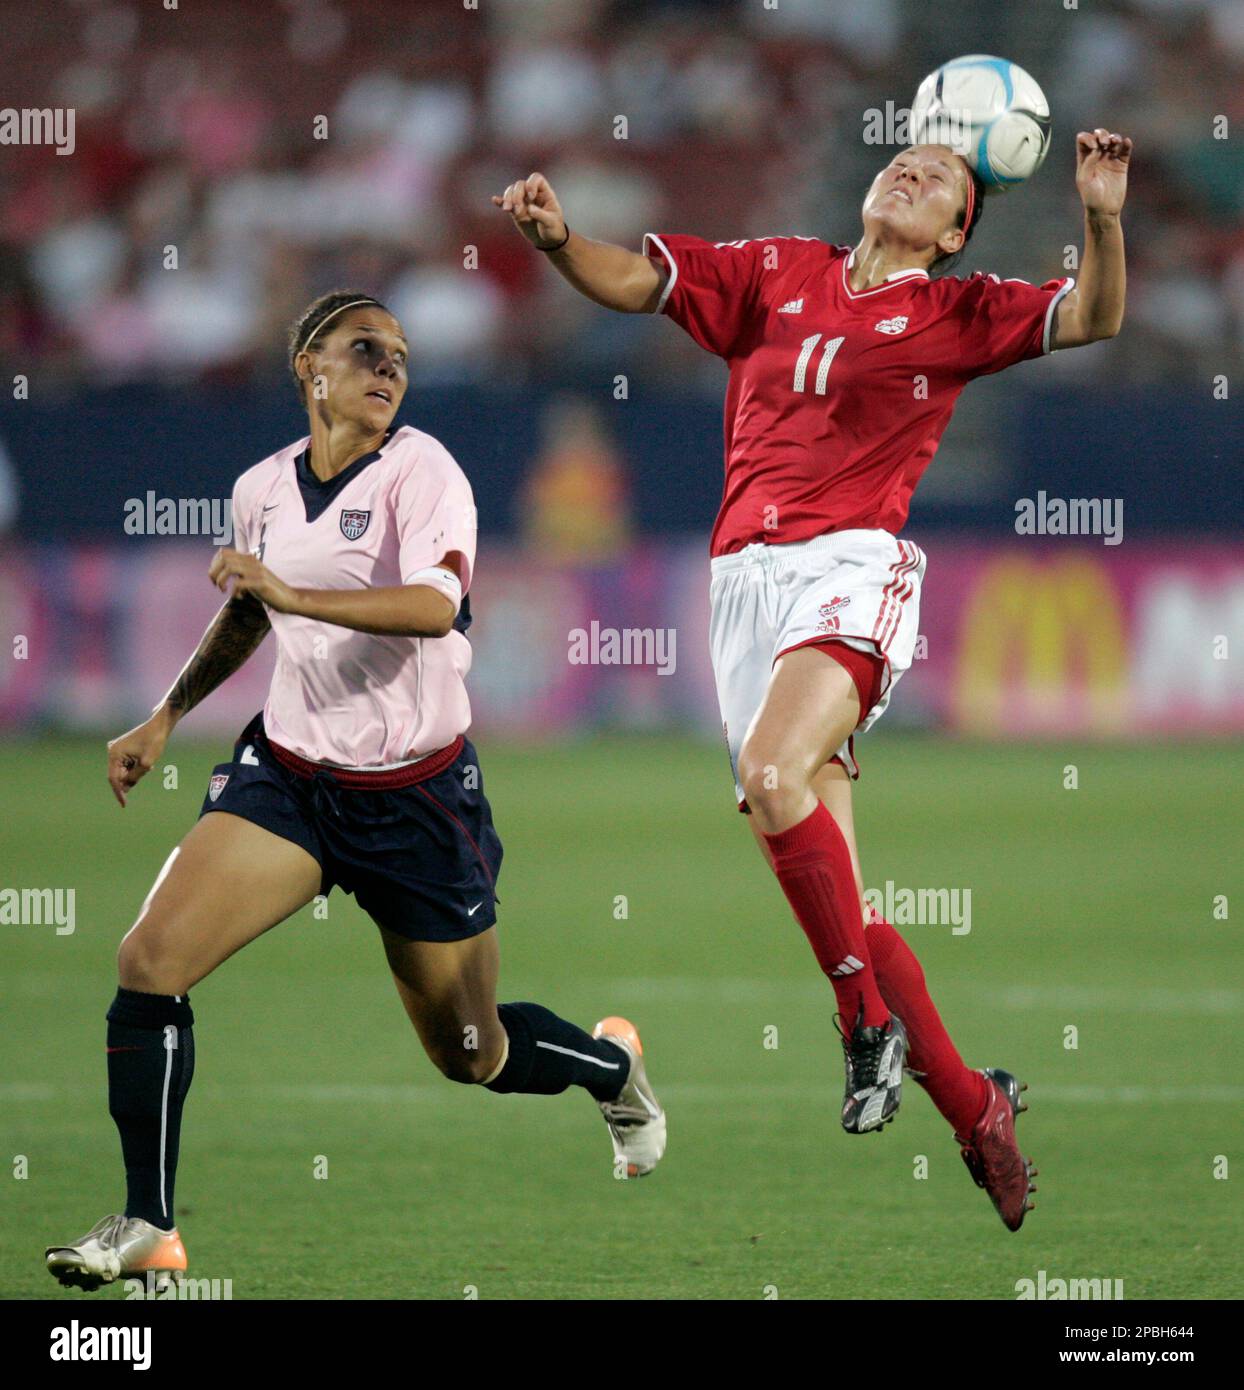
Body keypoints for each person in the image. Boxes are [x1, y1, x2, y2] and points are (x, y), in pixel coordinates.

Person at [494, 129, 1131, 1230]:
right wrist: (557, 242)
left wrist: (1102, 218)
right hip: (742, 586)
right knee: (835, 879)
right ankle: (973, 1105)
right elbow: (640, 279)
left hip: (850, 568)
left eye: (941, 176)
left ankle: (857, 1027)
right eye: (902, 159)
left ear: (953, 231)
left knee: (772, 767)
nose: (912, 171)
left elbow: (1092, 317)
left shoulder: (958, 310)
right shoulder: (774, 271)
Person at [45, 291, 666, 1291]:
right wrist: (164, 713)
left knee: (471, 1052)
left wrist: (292, 592)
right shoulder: (260, 489)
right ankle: (151, 1225)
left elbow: (433, 604)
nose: (388, 368)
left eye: (401, 357)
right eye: (364, 349)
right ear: (308, 365)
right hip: (289, 779)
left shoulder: (426, 473)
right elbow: (250, 616)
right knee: (150, 961)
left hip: (415, 799)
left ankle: (610, 1069)